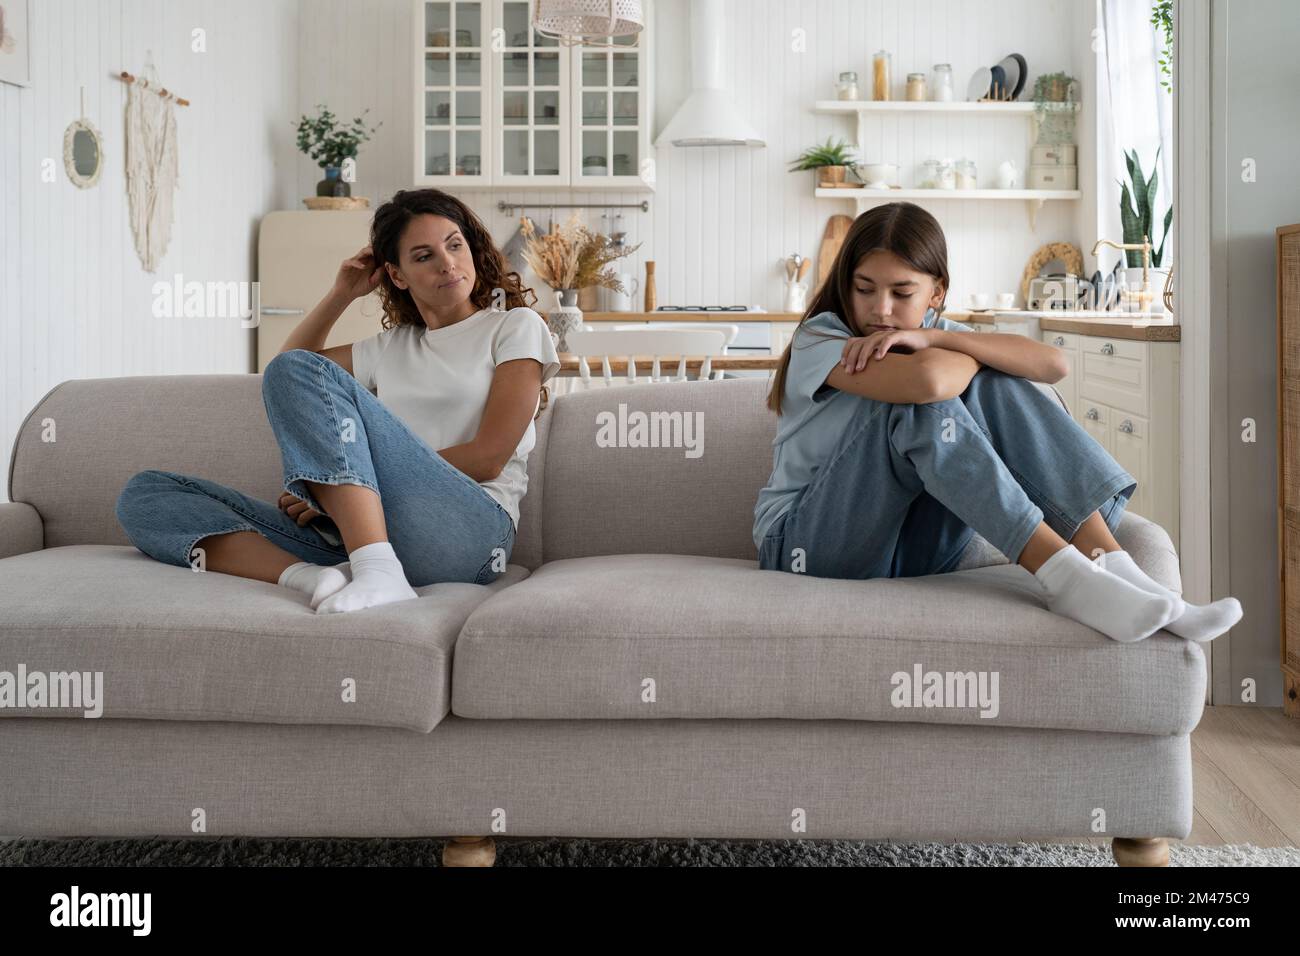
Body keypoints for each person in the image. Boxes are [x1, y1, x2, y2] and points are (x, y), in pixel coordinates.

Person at [753, 201, 1241, 644]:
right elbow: (927, 386)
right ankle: (1063, 575)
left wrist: (945, 343)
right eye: (864, 289)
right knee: (928, 403)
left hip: (909, 551)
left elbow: (1053, 365)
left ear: (936, 292)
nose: (881, 309)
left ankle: (1115, 567)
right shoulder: (822, 339)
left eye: (902, 293)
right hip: (806, 545)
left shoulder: (932, 335)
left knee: (993, 382)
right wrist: (959, 352)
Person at [116, 188, 559, 614]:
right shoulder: (390, 347)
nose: (448, 264)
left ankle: (374, 566)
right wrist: (341, 293)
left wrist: (338, 489)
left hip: (469, 534)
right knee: (146, 497)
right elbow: (287, 372)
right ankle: (312, 577)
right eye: (424, 256)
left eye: (454, 245)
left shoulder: (514, 326)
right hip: (367, 538)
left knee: (300, 375)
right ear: (397, 275)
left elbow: (489, 458)